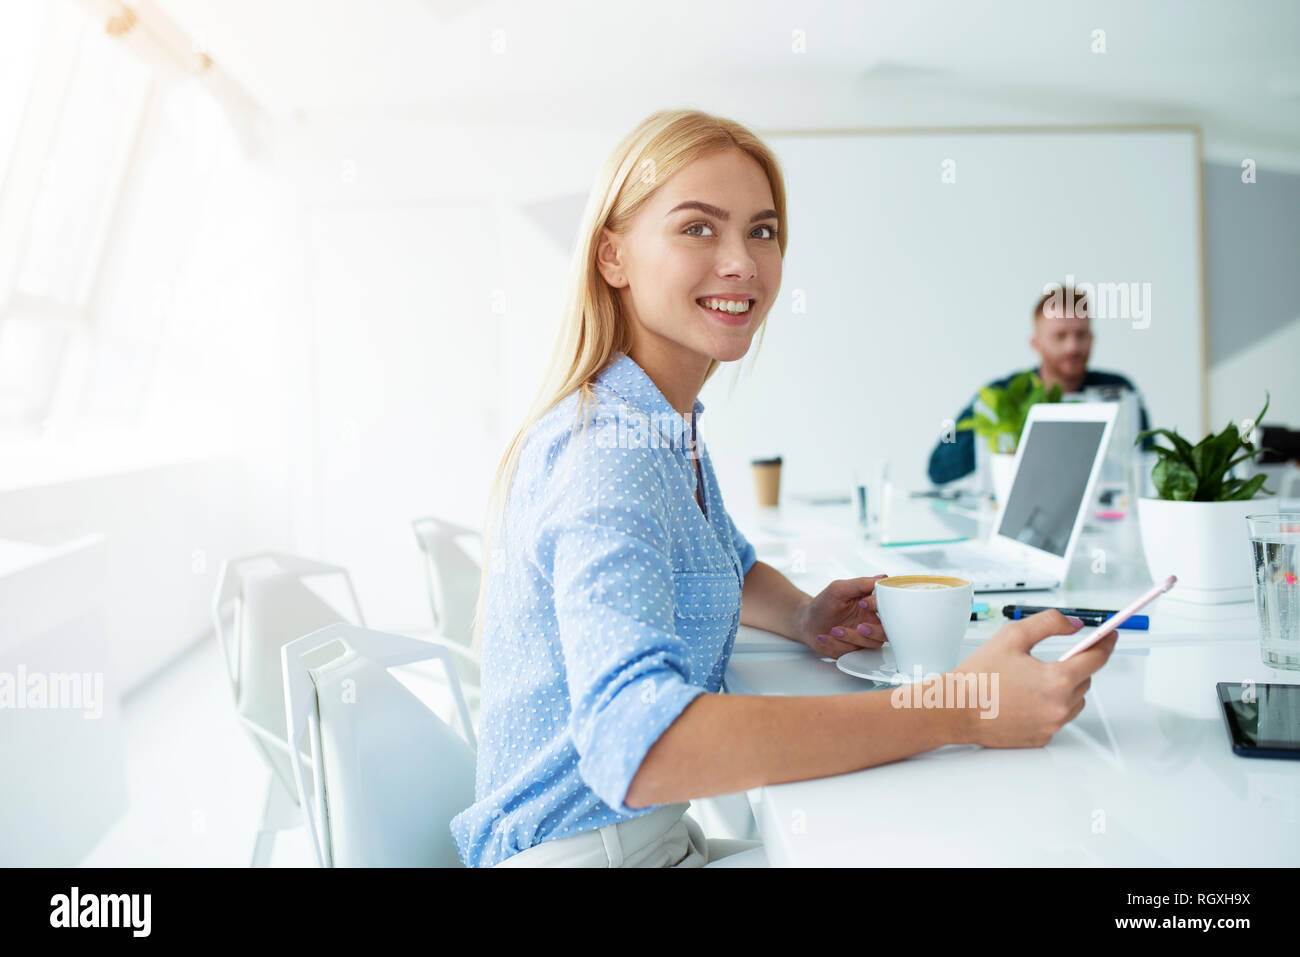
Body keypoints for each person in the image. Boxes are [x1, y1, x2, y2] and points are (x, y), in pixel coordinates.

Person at [449, 110, 1117, 868]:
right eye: (698, 228)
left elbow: (726, 562)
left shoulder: (660, 423)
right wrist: (957, 707)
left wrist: (804, 613)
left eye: (762, 231)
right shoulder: (611, 453)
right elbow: (640, 748)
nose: (742, 262)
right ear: (613, 255)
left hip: (645, 842)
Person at [927, 287, 1152, 486]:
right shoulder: (1002, 395)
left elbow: (1147, 461)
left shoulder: (1118, 391)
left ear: (1091, 339)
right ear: (1036, 343)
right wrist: (1009, 426)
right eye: (1060, 336)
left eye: (1080, 335)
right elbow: (938, 468)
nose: (1072, 347)